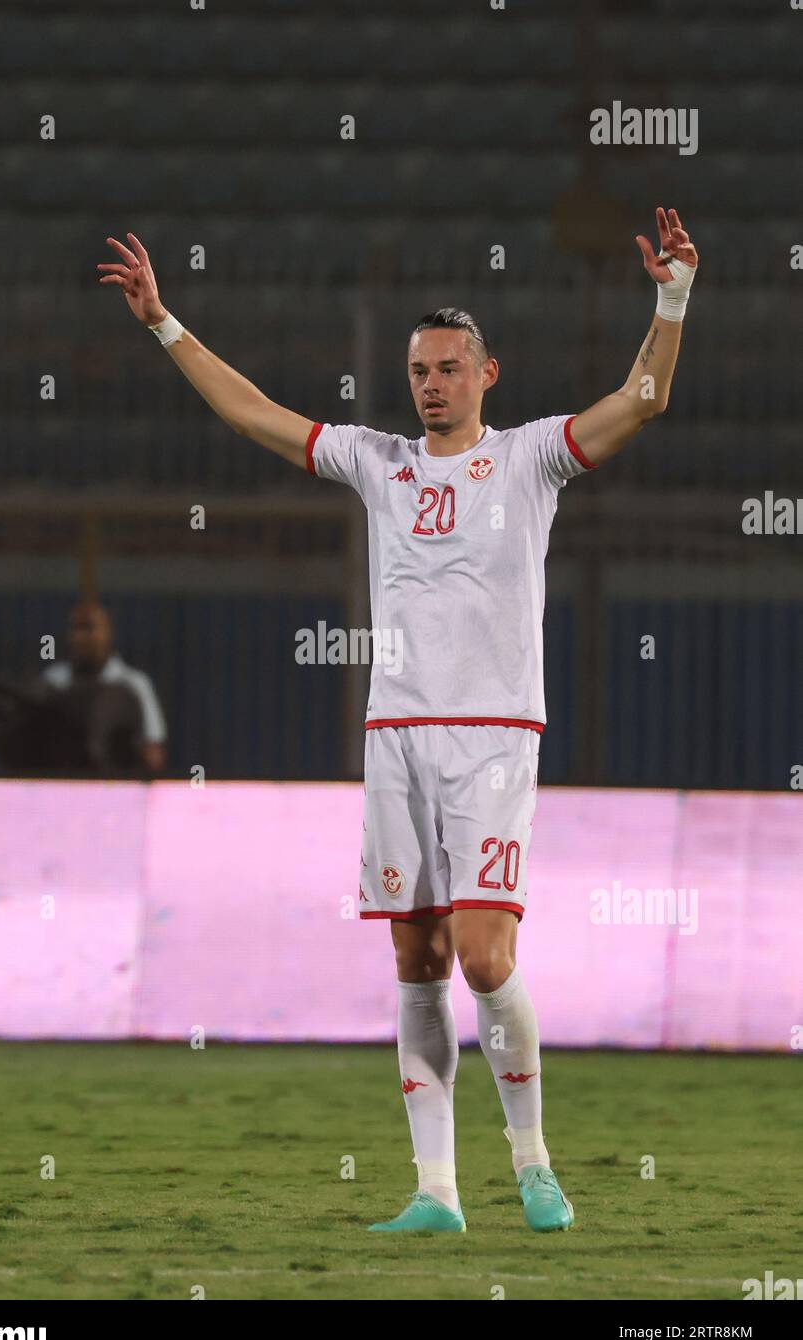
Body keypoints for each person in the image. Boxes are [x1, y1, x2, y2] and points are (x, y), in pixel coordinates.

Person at [98, 208, 698, 1233]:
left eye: (447, 368)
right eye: (418, 368)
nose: (428, 383)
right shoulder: (377, 461)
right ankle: (435, 1193)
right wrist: (164, 322)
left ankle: (532, 1163)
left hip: (494, 737)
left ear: (486, 376)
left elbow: (639, 401)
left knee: (483, 957)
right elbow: (253, 414)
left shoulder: (529, 461)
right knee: (414, 961)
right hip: (395, 740)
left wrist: (671, 297)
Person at [39, 599, 167, 777]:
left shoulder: (134, 684)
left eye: (90, 628)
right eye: (76, 628)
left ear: (108, 632)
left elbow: (153, 753)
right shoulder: (53, 682)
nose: (82, 637)